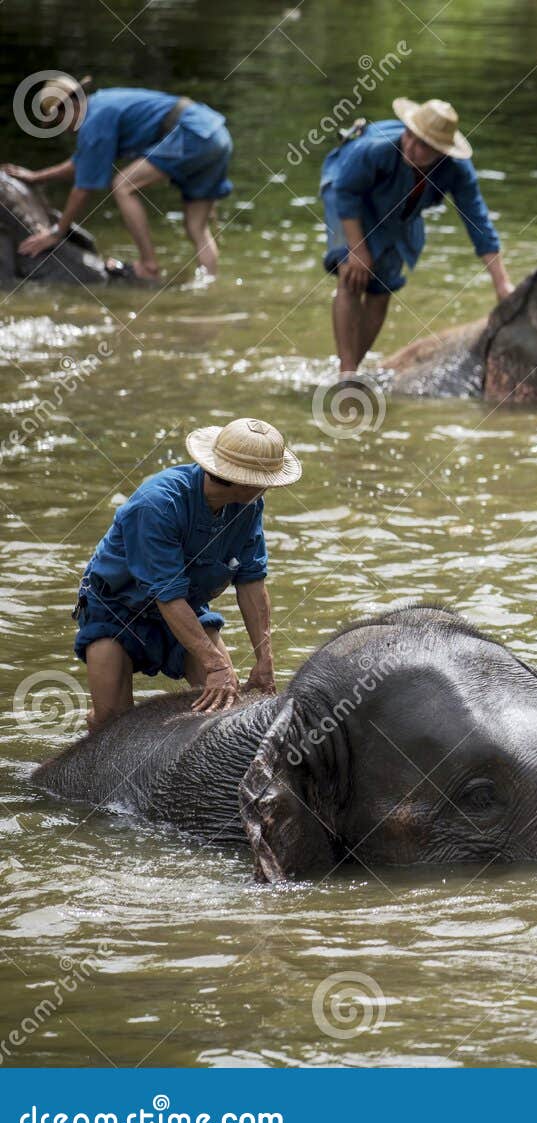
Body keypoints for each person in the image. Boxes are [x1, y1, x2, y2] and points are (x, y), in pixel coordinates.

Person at [73, 418, 301, 730]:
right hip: (117, 610)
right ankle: (97, 721)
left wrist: (265, 661)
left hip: (188, 607)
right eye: (266, 480)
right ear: (243, 481)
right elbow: (166, 594)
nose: (270, 487)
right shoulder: (157, 505)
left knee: (227, 706)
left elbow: (251, 581)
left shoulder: (249, 504)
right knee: (113, 723)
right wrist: (216, 666)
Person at [320, 97, 512, 382]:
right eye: (410, 135)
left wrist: (501, 284)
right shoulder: (376, 149)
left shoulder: (457, 170)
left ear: (442, 151)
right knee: (353, 273)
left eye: (423, 145)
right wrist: (358, 249)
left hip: (400, 207)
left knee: (381, 288)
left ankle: (352, 370)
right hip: (346, 192)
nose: (410, 146)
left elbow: (478, 221)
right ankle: (346, 373)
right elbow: (345, 191)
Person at [6, 75, 233, 280]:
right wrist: (37, 177)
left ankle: (148, 266)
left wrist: (57, 232)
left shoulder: (94, 120)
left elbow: (83, 188)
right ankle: (210, 285)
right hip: (215, 133)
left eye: (59, 121)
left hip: (190, 134)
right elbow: (82, 163)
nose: (64, 129)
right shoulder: (101, 105)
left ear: (70, 106)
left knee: (123, 186)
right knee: (196, 228)